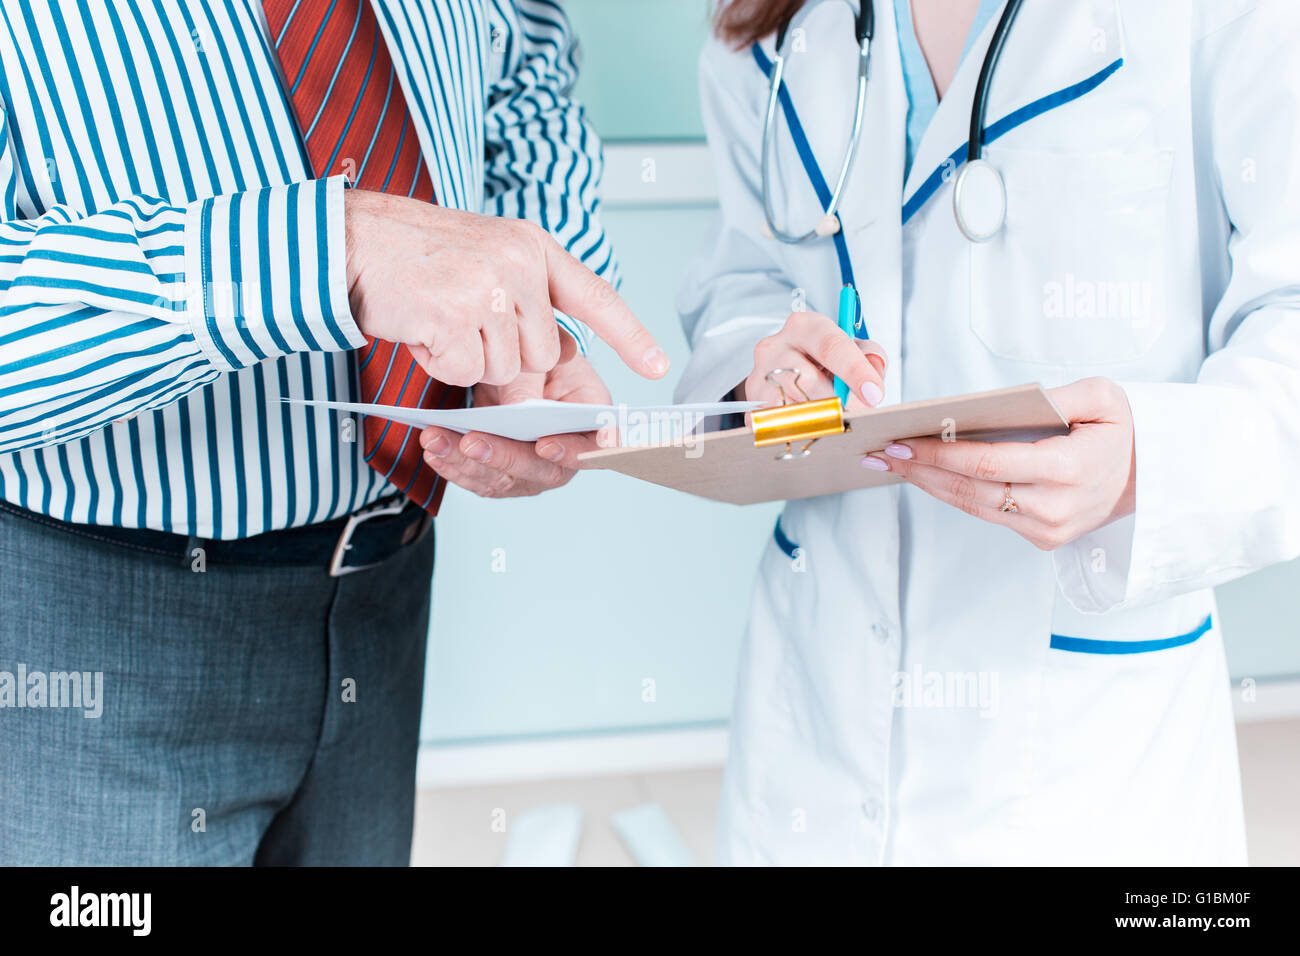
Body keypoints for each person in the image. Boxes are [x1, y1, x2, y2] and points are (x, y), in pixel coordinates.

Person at [0, 0, 665, 865]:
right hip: (89, 632)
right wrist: (322, 250)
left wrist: (530, 319)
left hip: (386, 593)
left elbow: (526, 70)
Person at [677, 0, 1300, 864]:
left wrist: (1145, 464)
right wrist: (764, 364)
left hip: (1089, 750)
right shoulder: (771, 24)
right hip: (815, 711)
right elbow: (742, 270)